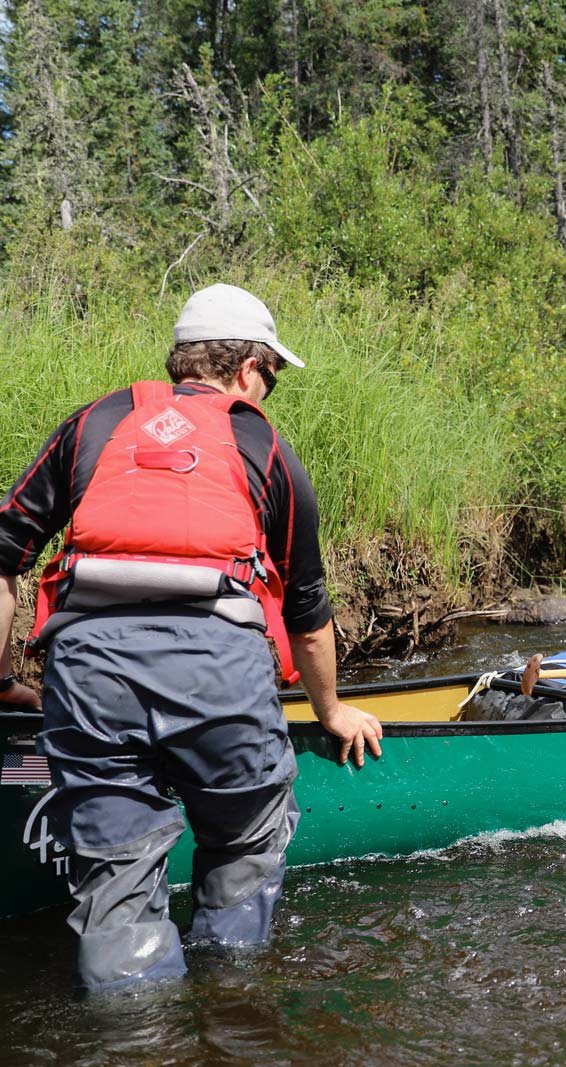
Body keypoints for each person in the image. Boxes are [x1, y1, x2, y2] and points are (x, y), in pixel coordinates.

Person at [0, 283, 383, 992]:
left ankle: (140, 1030)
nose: (269, 393)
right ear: (247, 371)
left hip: (89, 679)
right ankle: (228, 999)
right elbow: (308, 613)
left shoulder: (92, 424)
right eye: (271, 378)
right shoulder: (265, 445)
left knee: (116, 881)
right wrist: (331, 710)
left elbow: (3, 554)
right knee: (245, 837)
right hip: (219, 674)